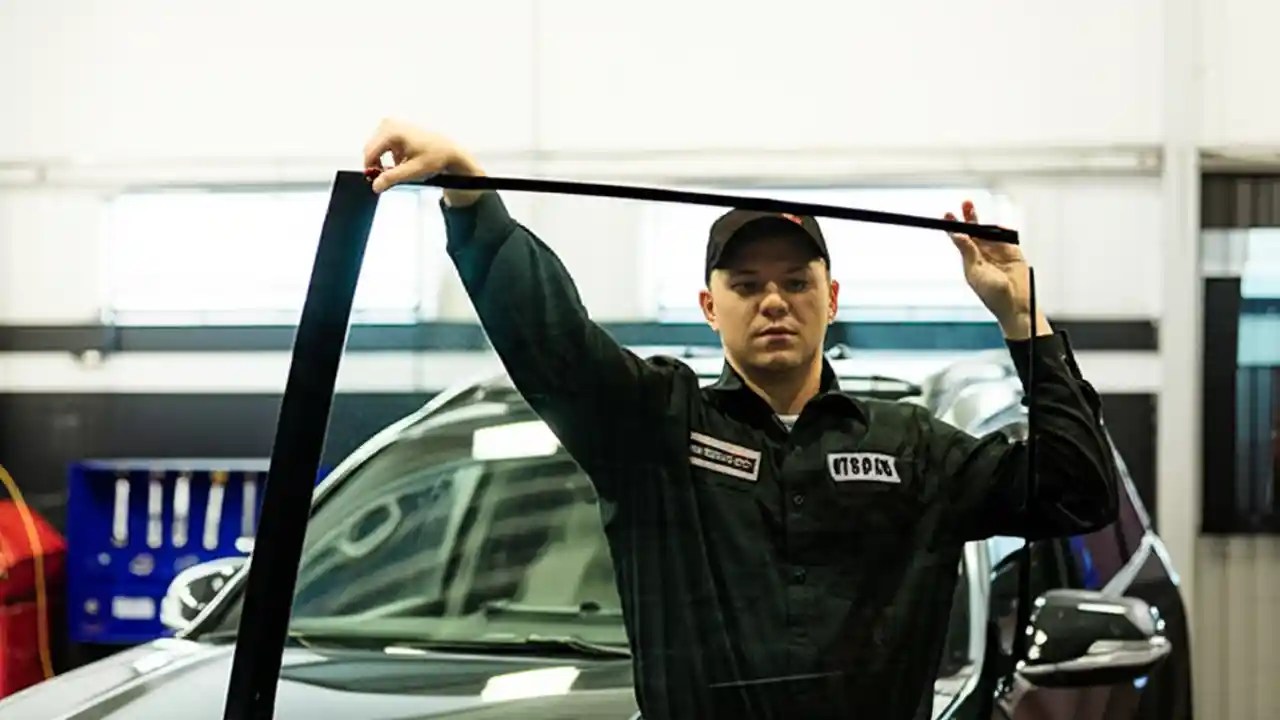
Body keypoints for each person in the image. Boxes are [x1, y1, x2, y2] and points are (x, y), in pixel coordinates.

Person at [361, 119, 1120, 720]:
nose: (773, 300)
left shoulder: (913, 446)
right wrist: (469, 195)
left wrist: (1023, 318)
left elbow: (1076, 491)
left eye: (796, 281)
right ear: (708, 307)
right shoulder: (654, 428)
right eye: (747, 282)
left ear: (831, 300)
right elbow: (551, 340)